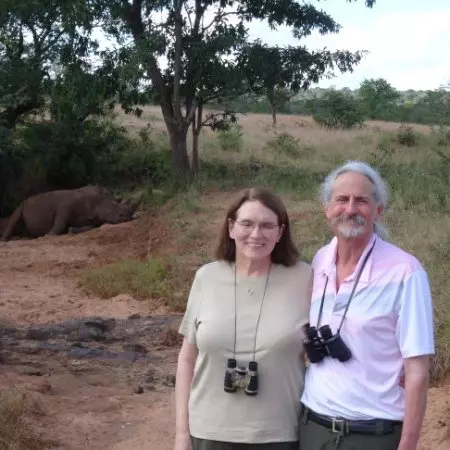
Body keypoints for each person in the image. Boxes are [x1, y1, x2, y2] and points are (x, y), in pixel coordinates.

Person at [299, 161, 435, 450]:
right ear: (327, 208)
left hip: (373, 434)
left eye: (361, 200)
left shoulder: (405, 272)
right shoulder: (320, 259)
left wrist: (408, 443)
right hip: (313, 428)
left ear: (378, 210)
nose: (350, 209)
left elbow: (417, 370)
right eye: (341, 200)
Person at [174, 187, 313, 450]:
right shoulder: (206, 277)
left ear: (281, 232)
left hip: (280, 433)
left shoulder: (305, 278)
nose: (256, 234)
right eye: (247, 224)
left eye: (267, 225)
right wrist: (182, 434)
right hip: (209, 432)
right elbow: (186, 358)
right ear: (231, 227)